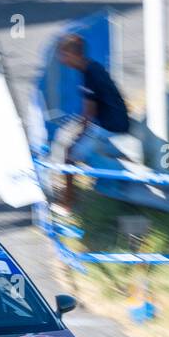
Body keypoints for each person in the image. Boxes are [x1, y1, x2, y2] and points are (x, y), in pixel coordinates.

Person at [57, 33, 129, 213]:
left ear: (74, 55)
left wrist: (77, 137)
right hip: (119, 120)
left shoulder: (89, 76)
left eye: (63, 55)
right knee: (76, 141)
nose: (62, 60)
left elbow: (89, 114)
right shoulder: (94, 67)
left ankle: (67, 203)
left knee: (69, 153)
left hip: (111, 126)